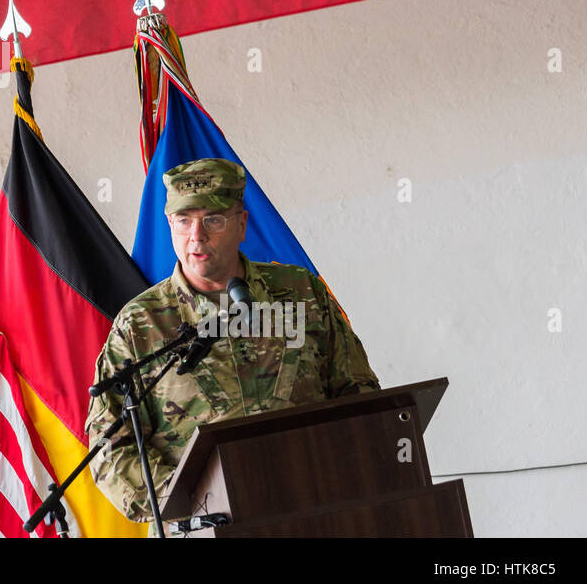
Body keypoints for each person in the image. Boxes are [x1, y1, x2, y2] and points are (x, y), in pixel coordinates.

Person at [85, 158, 380, 530]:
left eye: (213, 219)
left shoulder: (300, 293)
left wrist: (340, 473)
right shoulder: (140, 324)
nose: (197, 236)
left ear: (241, 224)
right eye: (183, 221)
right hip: (208, 527)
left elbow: (359, 396)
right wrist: (195, 502)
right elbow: (111, 447)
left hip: (314, 511)